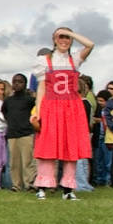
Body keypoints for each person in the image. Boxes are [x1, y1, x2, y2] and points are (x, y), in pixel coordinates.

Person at [31, 27, 94, 200]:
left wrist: (70, 33)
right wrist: (38, 111)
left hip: (72, 108)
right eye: (60, 37)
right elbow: (42, 88)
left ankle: (68, 188)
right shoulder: (44, 61)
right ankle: (42, 186)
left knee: (70, 147)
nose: (64, 40)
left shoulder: (74, 59)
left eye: (67, 37)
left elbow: (90, 44)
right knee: (47, 147)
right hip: (51, 105)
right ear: (54, 39)